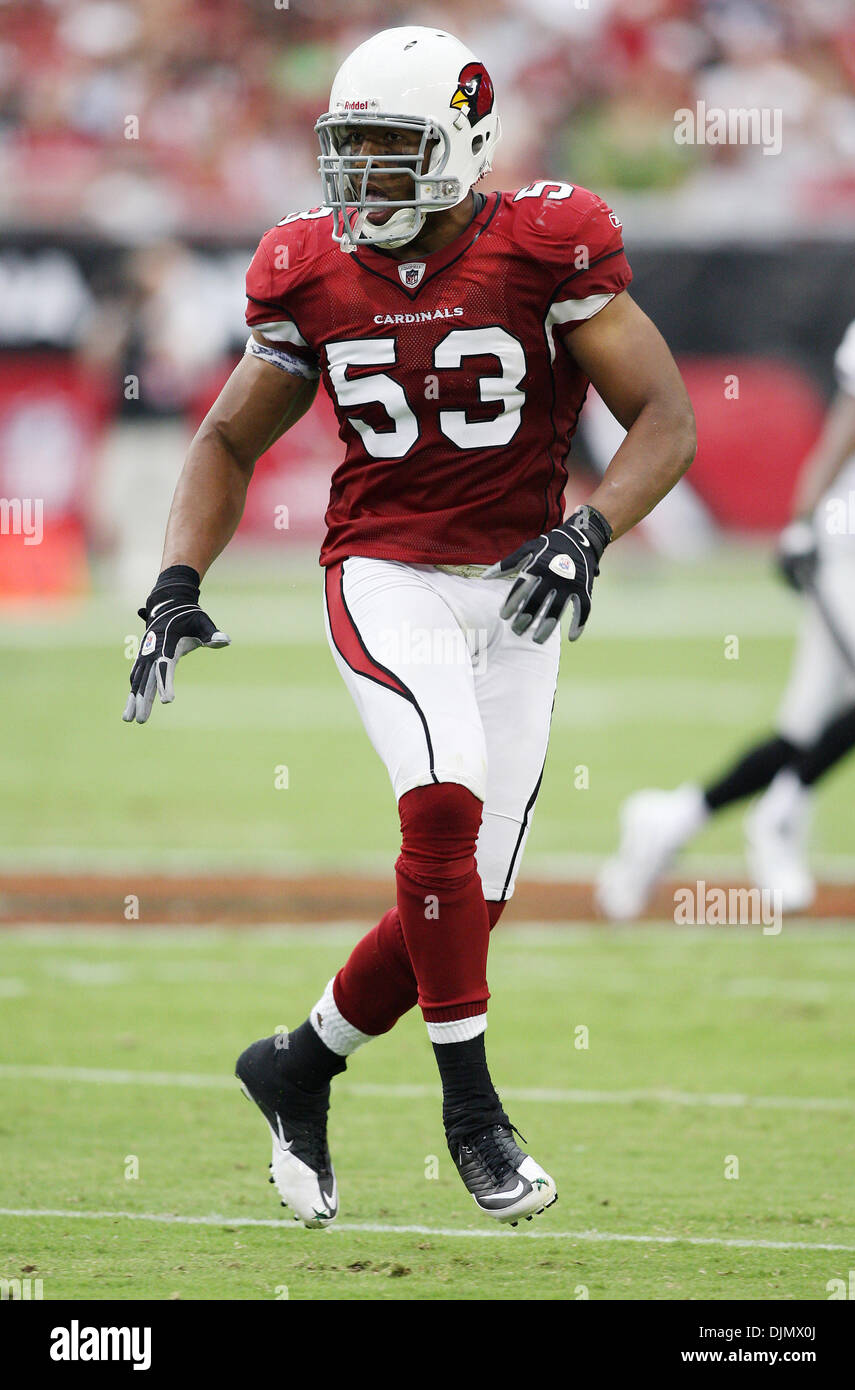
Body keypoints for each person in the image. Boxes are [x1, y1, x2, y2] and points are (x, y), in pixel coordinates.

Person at [123, 26, 695, 1228]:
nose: (365, 178)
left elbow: (662, 420)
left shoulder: (546, 241)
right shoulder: (307, 267)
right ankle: (473, 1115)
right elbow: (226, 437)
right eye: (352, 150)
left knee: (463, 907)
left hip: (525, 583)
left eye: (394, 149)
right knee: (439, 805)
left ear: (466, 142)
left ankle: (298, 1063)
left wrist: (585, 535)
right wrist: (175, 579)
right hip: (386, 571)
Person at [597, 314, 855, 920]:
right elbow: (844, 431)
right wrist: (801, 521)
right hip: (849, 549)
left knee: (802, 731)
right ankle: (780, 814)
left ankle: (669, 819)